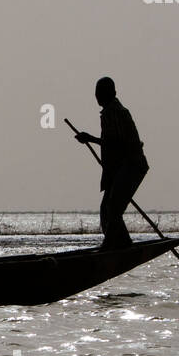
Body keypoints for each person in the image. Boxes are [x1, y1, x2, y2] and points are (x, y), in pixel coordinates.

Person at [74, 77, 149, 250]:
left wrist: (90, 139)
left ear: (112, 93)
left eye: (101, 93)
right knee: (106, 209)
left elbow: (116, 143)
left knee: (113, 208)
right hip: (119, 169)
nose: (97, 96)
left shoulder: (115, 112)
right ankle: (120, 242)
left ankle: (116, 244)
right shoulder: (109, 112)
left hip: (131, 166)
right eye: (97, 93)